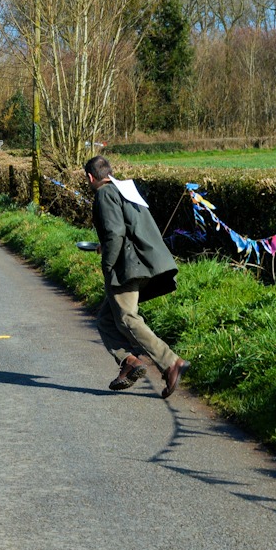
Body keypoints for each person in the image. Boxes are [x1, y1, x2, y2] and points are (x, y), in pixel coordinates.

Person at [84, 156, 188, 398]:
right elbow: (125, 230)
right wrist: (106, 245)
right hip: (144, 262)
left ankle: (171, 362)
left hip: (126, 268)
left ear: (90, 177)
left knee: (128, 319)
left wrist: (108, 264)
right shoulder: (124, 190)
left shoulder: (103, 194)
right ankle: (129, 361)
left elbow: (115, 232)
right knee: (106, 320)